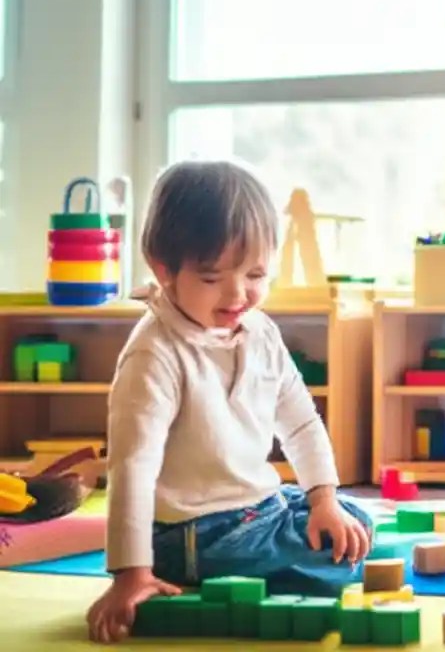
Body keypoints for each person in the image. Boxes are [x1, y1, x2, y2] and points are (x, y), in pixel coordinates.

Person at [87, 161, 371, 644]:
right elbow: (131, 468)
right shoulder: (155, 353)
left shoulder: (260, 332)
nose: (238, 294)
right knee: (338, 557)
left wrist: (323, 499)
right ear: (163, 268)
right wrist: (131, 574)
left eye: (256, 273)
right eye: (213, 277)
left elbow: (300, 421)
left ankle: (289, 549)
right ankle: (199, 574)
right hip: (191, 533)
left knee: (353, 518)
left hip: (255, 508)